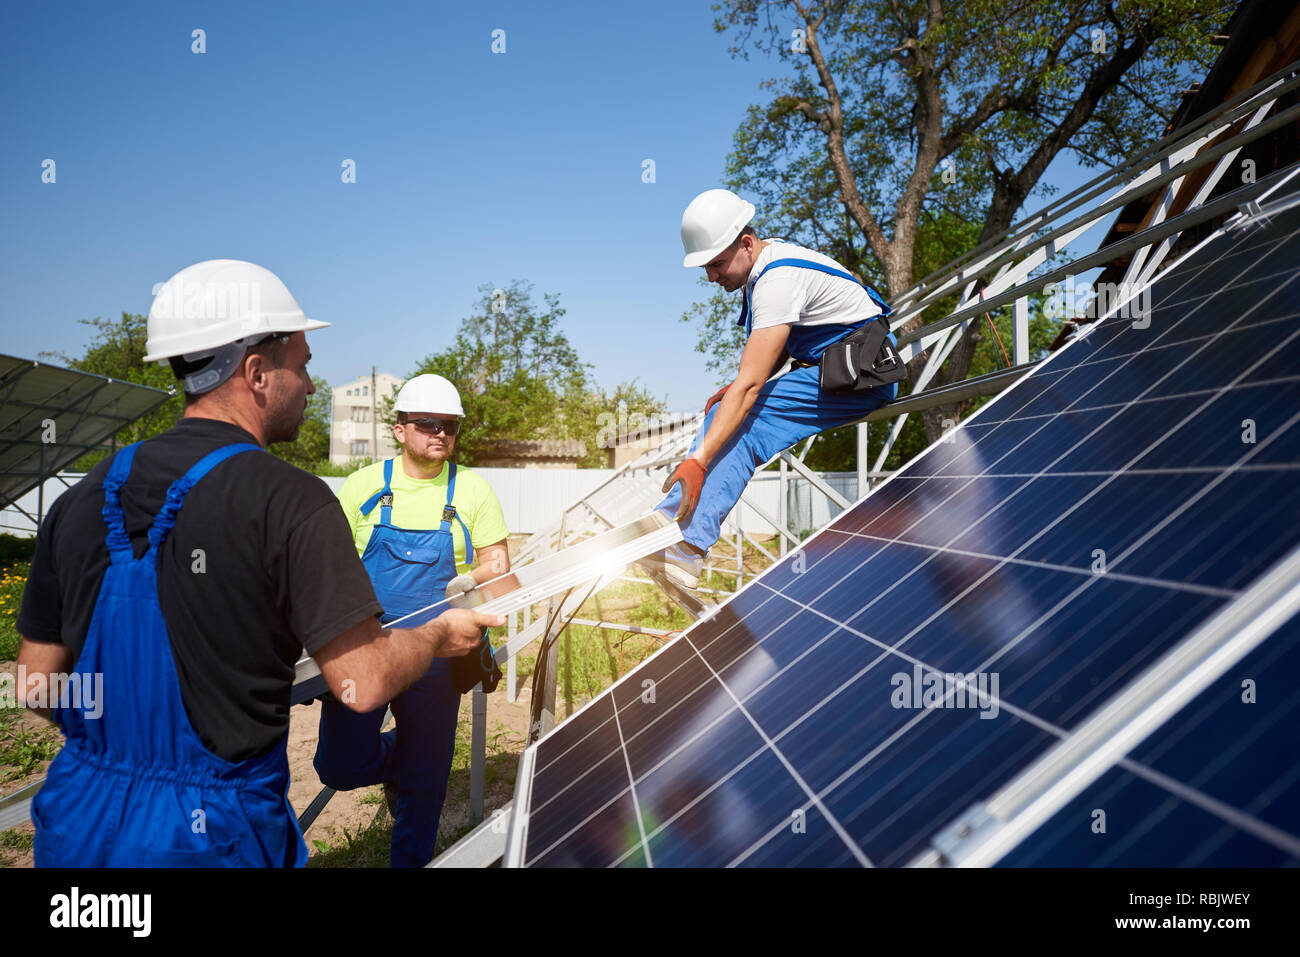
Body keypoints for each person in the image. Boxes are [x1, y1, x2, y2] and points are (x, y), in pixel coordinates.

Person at [15, 259, 501, 867]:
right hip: (212, 831)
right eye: (302, 366)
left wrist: (127, 747)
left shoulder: (83, 498)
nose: (310, 385)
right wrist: (434, 634)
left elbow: (33, 683)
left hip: (79, 819)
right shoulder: (291, 500)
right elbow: (365, 681)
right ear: (256, 373)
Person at [642, 188, 901, 588]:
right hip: (838, 369)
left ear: (746, 244)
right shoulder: (768, 266)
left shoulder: (777, 279)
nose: (711, 277)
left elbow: (752, 386)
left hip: (862, 375)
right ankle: (671, 523)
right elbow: (780, 349)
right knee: (723, 413)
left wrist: (698, 461)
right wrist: (734, 390)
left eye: (716, 264)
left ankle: (686, 547)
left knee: (748, 420)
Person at [313, 373, 511, 868]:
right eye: (427, 423)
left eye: (449, 425)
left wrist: (489, 578)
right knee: (339, 764)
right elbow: (327, 572)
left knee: (426, 788)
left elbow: (503, 582)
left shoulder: (473, 490)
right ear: (399, 429)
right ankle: (404, 759)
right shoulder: (362, 486)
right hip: (366, 649)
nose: (439, 433)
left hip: (439, 656)